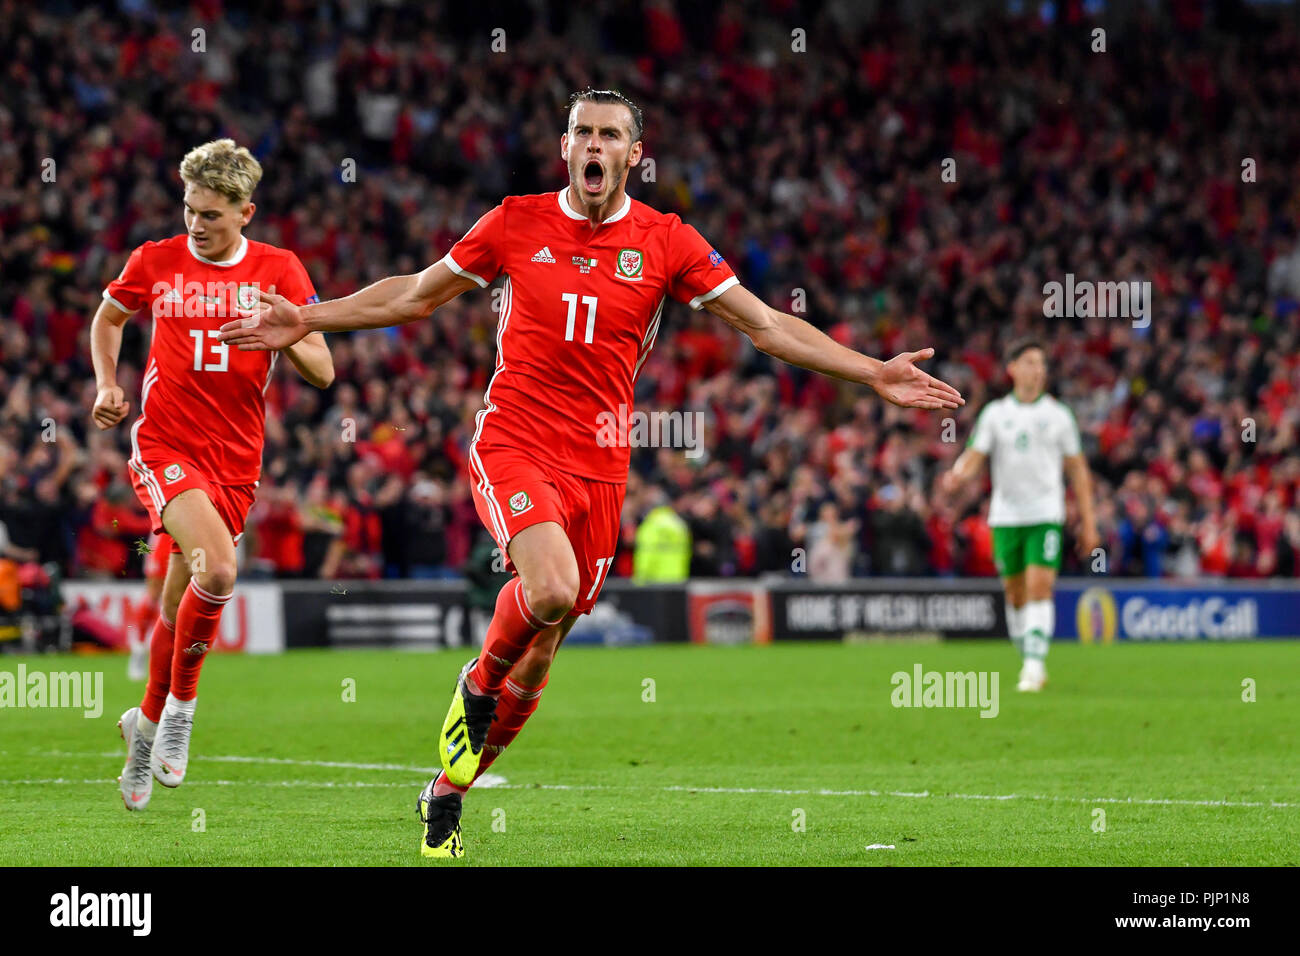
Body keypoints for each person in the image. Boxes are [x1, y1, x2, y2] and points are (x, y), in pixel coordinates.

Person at [218, 89, 964, 858]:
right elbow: (415, 294)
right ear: (565, 148)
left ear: (634, 155)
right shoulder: (514, 222)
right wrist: (310, 315)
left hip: (601, 468)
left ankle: (447, 791)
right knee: (548, 590)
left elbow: (767, 325)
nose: (595, 146)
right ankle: (477, 682)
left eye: (611, 135)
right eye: (583, 133)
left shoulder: (667, 241)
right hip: (515, 439)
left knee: (545, 645)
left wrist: (872, 371)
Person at [90, 139, 334, 811]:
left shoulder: (278, 269)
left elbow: (324, 368)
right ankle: (180, 715)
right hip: (165, 443)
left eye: (214, 215)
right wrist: (108, 383)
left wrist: (290, 335)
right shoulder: (155, 259)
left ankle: (142, 728)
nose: (198, 224)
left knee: (178, 607)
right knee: (221, 571)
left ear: (246, 213)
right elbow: (109, 317)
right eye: (191, 209)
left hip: (237, 461)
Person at [942, 338, 1099, 692]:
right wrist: (957, 475)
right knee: (1014, 594)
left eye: (1042, 363)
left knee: (1039, 586)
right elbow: (974, 456)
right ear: (1012, 368)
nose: (1037, 369)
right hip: (1006, 517)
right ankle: (1028, 654)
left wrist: (1089, 522)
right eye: (1029, 362)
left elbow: (1078, 471)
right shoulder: (996, 414)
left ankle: (1033, 666)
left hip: (1046, 514)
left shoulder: (1058, 415)